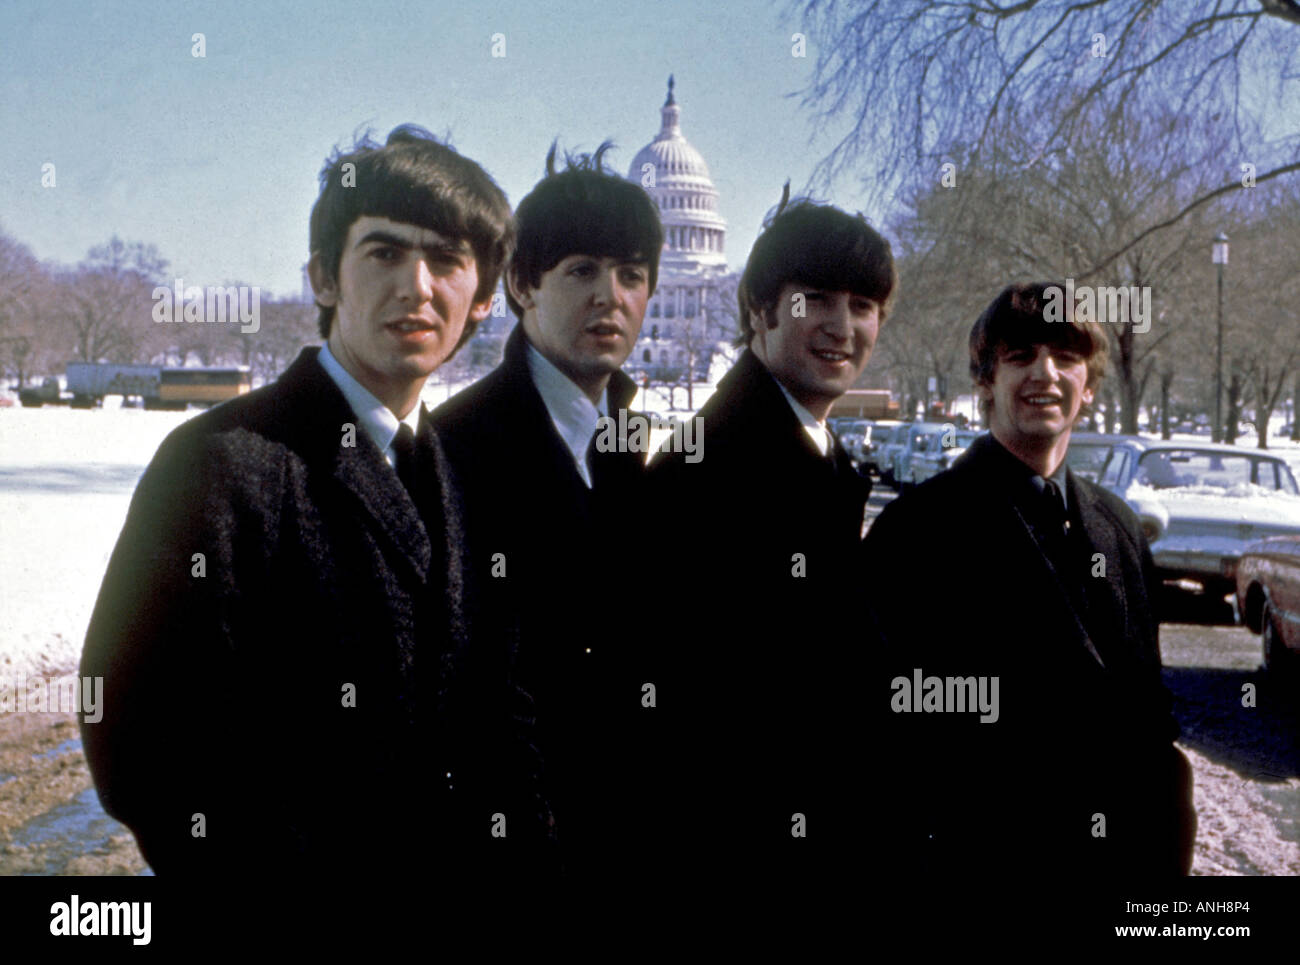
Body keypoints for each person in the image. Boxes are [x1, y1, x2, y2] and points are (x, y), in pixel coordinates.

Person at [79, 125, 552, 876]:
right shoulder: (219, 461)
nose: (418, 287)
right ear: (324, 278)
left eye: (447, 260)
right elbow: (136, 735)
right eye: (385, 253)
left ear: (485, 298)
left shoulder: (474, 475)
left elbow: (506, 723)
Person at [862, 282, 1196, 877]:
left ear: (1088, 386)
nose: (1045, 373)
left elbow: (1149, 717)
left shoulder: (1117, 525)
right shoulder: (916, 530)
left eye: (1066, 357)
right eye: (1020, 356)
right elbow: (886, 744)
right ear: (986, 382)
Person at [641, 195, 896, 879]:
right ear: (761, 308)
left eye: (863, 306)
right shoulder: (709, 466)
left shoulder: (819, 456)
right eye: (817, 299)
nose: (843, 327)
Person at [429, 142, 662, 877]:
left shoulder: (633, 443)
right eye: (583, 271)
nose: (611, 297)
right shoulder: (454, 448)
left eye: (631, 275)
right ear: (525, 286)